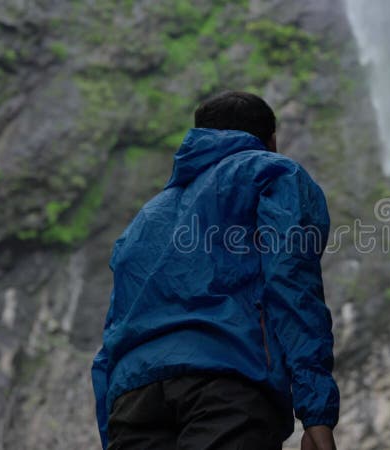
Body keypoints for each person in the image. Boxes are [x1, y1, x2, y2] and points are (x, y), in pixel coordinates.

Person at [91, 91, 339, 450]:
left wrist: (110, 427)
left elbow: (112, 335)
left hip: (133, 398)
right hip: (226, 381)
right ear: (270, 140)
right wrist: (317, 413)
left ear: (198, 138)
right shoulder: (273, 172)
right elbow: (291, 283)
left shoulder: (146, 218)